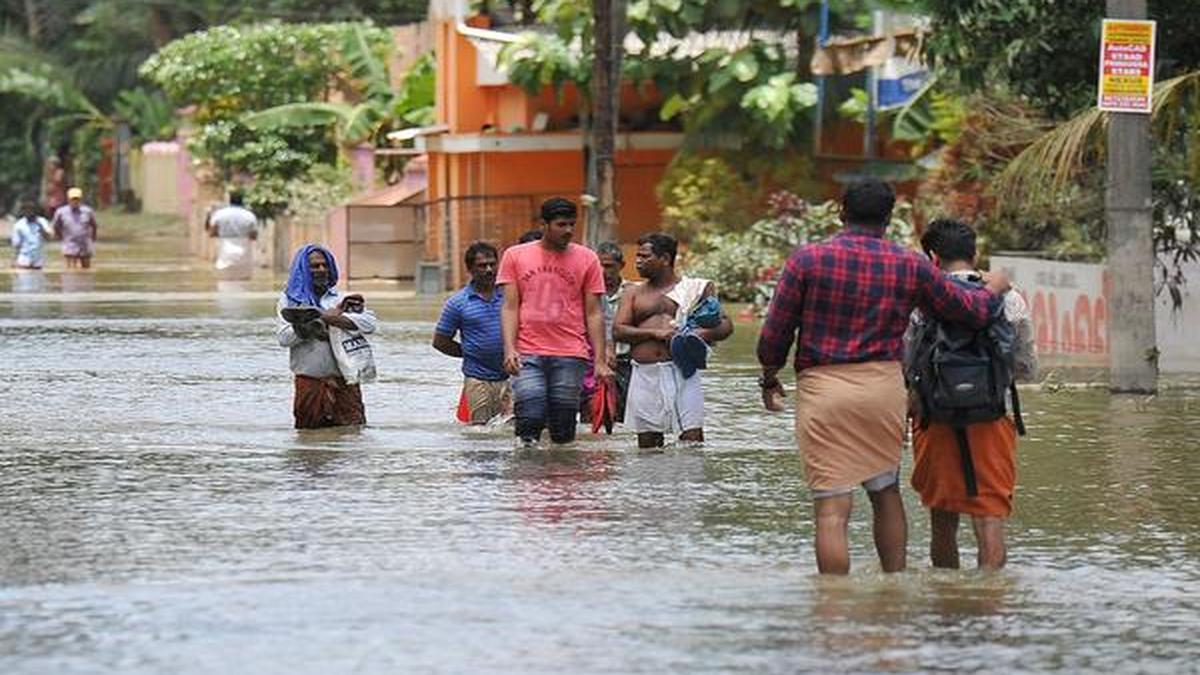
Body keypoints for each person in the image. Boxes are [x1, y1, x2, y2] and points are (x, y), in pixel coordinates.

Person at [756, 179, 1010, 575]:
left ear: (841, 211)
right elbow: (966, 310)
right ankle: (893, 587)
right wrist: (992, 289)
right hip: (883, 389)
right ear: (889, 218)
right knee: (885, 491)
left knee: (831, 510)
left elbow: (775, 333)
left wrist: (769, 377)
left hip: (824, 390)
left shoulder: (806, 260)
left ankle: (833, 603)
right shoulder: (909, 263)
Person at [905, 218, 1037, 570]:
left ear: (932, 257)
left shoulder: (921, 301)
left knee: (942, 520)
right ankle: (988, 605)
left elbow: (908, 362)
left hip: (935, 418)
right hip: (993, 415)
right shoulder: (1008, 298)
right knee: (990, 518)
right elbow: (1025, 365)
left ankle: (947, 602)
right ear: (974, 252)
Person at [497, 197, 612, 445]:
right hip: (527, 352)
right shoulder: (514, 256)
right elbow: (509, 306)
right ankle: (526, 478)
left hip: (571, 353)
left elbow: (594, 312)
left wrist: (600, 361)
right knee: (530, 417)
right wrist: (509, 348)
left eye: (572, 224)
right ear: (544, 225)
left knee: (562, 427)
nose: (568, 230)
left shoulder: (588, 258)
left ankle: (561, 479)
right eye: (561, 224)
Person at [613, 232, 733, 448]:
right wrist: (655, 334)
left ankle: (689, 483)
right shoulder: (632, 293)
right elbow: (618, 330)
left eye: (644, 257)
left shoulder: (696, 289)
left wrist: (700, 335)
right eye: (637, 256)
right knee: (648, 444)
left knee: (692, 439)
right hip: (644, 373)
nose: (638, 262)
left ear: (666, 259)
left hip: (682, 371)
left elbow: (725, 325)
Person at [276, 245, 377, 429]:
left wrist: (328, 317)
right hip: (309, 385)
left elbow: (369, 324)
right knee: (308, 442)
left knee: (352, 439)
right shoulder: (289, 302)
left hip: (346, 384)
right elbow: (284, 338)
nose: (321, 270)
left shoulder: (343, 299)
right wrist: (308, 326)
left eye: (325, 265)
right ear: (304, 270)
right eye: (315, 266)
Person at [433, 241, 510, 424]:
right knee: (480, 433)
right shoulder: (458, 303)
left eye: (492, 264)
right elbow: (440, 342)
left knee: (514, 431)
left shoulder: (511, 296)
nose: (489, 270)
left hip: (513, 376)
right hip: (478, 379)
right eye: (482, 266)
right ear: (470, 269)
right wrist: (470, 352)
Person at [596, 241, 638, 422]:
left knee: (624, 417)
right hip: (594, 365)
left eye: (609, 266)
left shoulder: (634, 292)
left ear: (621, 266)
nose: (603, 271)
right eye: (599, 265)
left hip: (626, 364)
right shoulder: (588, 294)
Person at [206, 191, 258, 280]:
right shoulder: (250, 215)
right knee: (243, 283)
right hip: (244, 254)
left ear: (230, 200)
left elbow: (211, 233)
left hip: (224, 251)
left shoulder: (219, 214)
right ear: (242, 201)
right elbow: (253, 236)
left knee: (224, 283)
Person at [50, 187, 98, 269]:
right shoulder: (61, 212)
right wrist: (60, 236)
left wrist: (93, 238)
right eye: (73, 199)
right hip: (70, 245)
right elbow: (55, 226)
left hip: (85, 245)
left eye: (77, 199)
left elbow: (94, 225)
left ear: (80, 199)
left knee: (86, 270)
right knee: (71, 271)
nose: (75, 201)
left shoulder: (87, 211)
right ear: (68, 199)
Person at [10, 202, 53, 269]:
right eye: (27, 211)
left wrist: (41, 228)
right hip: (23, 261)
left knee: (38, 278)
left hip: (38, 262)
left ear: (35, 211)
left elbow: (49, 238)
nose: (30, 213)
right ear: (23, 212)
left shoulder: (42, 221)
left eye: (31, 210)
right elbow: (16, 245)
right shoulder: (19, 225)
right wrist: (13, 261)